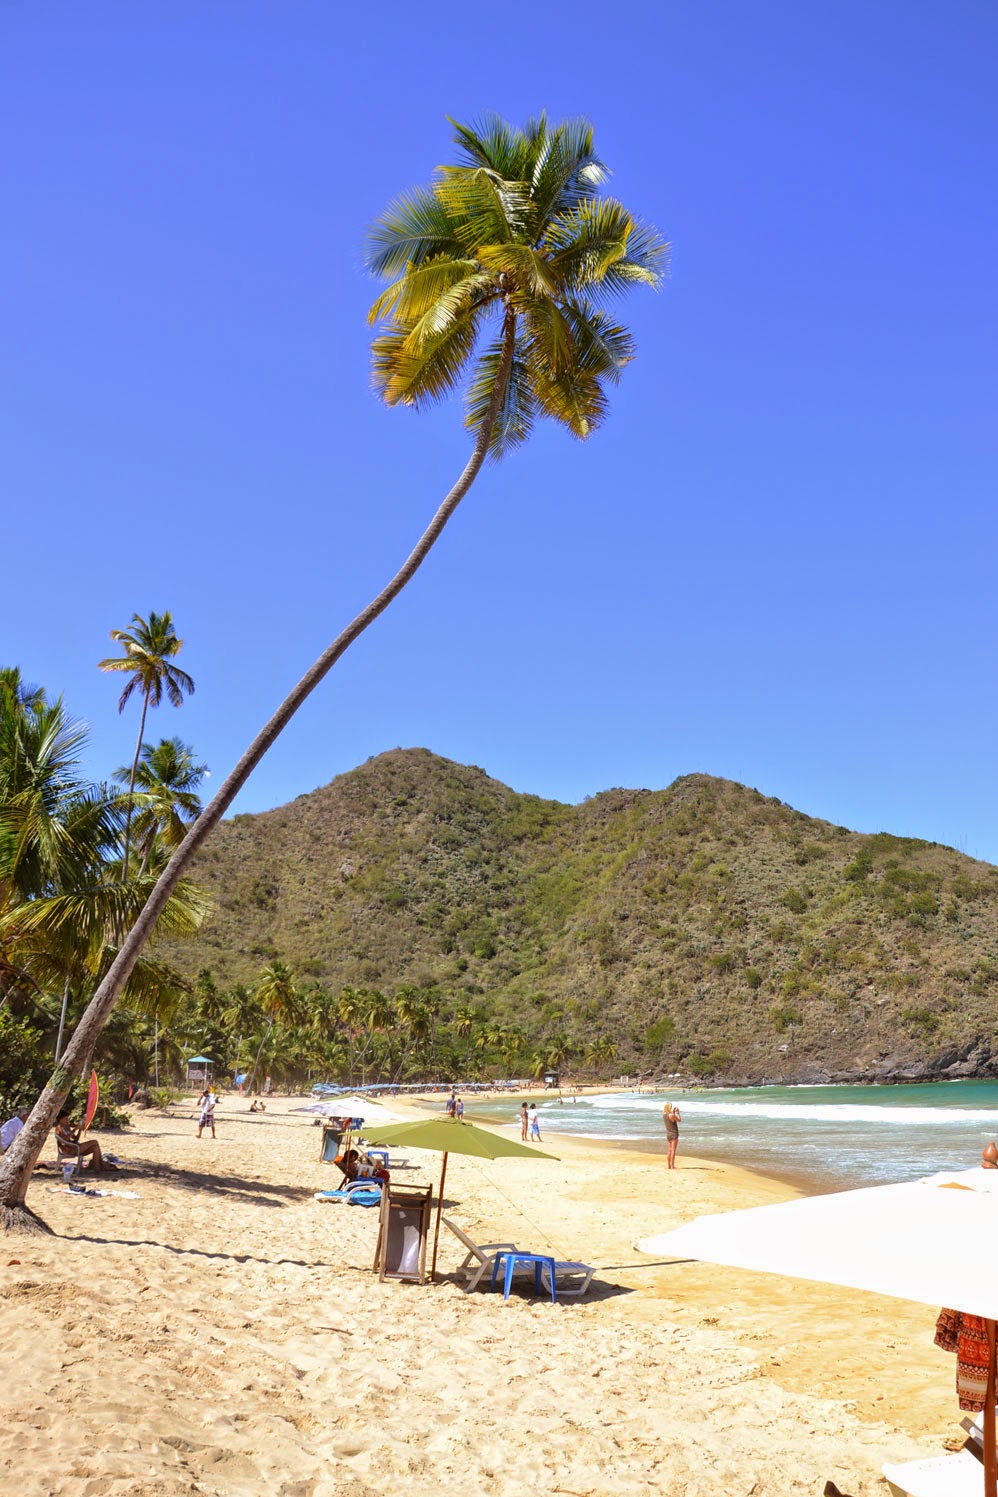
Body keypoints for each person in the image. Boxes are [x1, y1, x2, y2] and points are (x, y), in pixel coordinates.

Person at [663, 1101, 681, 1170]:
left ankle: (669, 1166)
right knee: (673, 1150)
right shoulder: (672, 1115)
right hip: (674, 1134)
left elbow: (671, 1118)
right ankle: (672, 1166)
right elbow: (679, 1120)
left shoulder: (664, 1115)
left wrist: (673, 1112)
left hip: (668, 1134)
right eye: (671, 1107)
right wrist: (678, 1113)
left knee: (669, 1151)